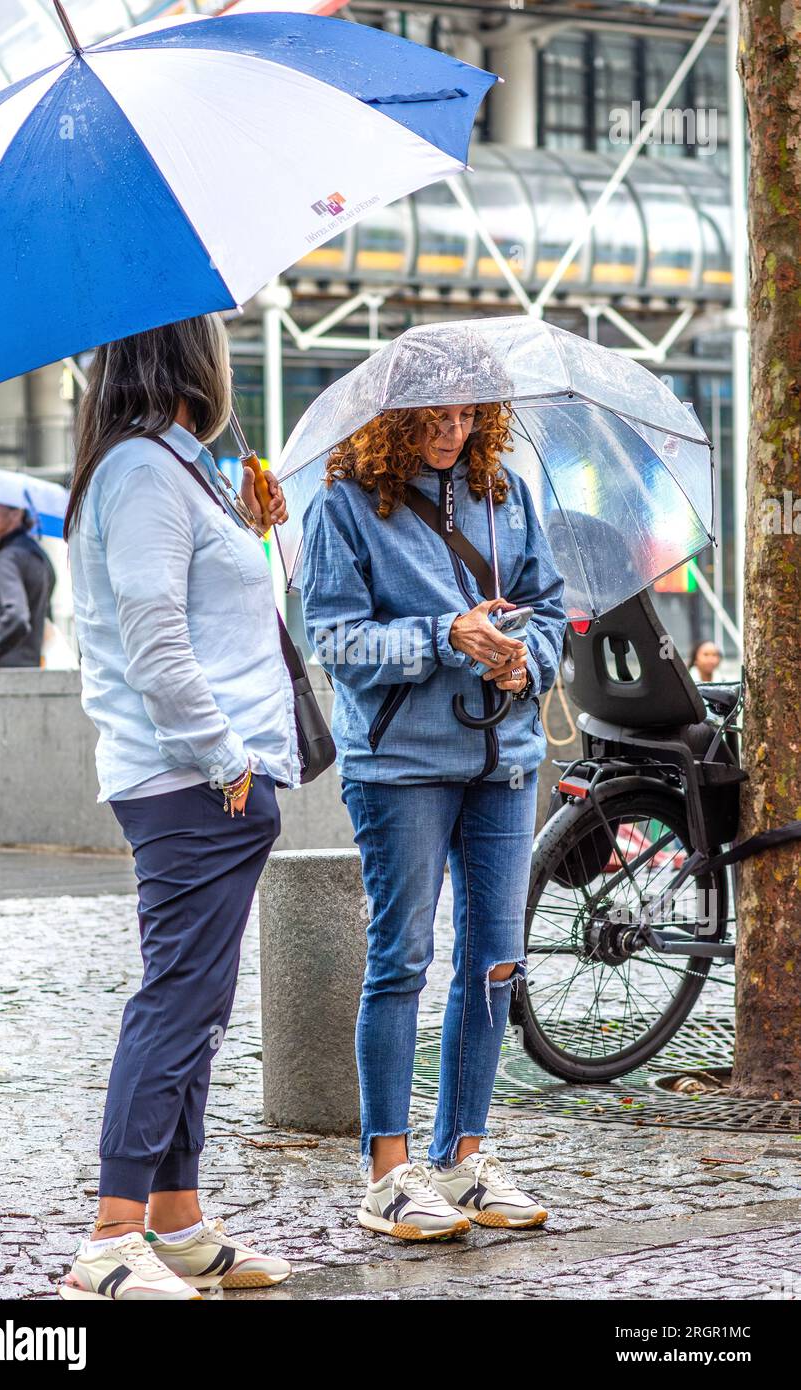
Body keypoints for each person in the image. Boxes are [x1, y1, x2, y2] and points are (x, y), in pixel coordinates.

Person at [59, 312, 300, 1301]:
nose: (229, 360)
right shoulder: (146, 472)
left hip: (206, 784)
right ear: (187, 356)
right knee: (175, 1001)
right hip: (190, 783)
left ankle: (177, 1217)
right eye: (217, 344)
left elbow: (207, 610)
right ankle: (110, 1236)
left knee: (196, 1005)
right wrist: (226, 762)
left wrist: (252, 528)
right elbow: (156, 642)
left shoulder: (172, 468)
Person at [300, 398, 567, 1242]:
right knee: (401, 960)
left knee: (496, 962)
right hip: (400, 766)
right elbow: (335, 639)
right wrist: (446, 636)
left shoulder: (507, 494)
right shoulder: (343, 504)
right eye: (432, 418)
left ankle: (464, 1158)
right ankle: (387, 1171)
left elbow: (550, 609)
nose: (450, 433)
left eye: (466, 417)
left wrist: (531, 661)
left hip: (505, 759)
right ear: (391, 419)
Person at [0, 502, 55, 668]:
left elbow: (17, 615)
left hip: (1, 675)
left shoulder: (10, 556)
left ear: (16, 513)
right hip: (27, 670)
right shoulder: (38, 555)